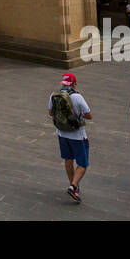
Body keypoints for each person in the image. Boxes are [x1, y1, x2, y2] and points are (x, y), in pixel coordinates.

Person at [49, 73, 92, 203]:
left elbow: (51, 112)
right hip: (77, 135)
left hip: (61, 133)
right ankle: (73, 187)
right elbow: (89, 115)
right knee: (83, 164)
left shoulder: (54, 95)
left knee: (68, 159)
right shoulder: (78, 97)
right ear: (73, 84)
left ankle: (73, 184)